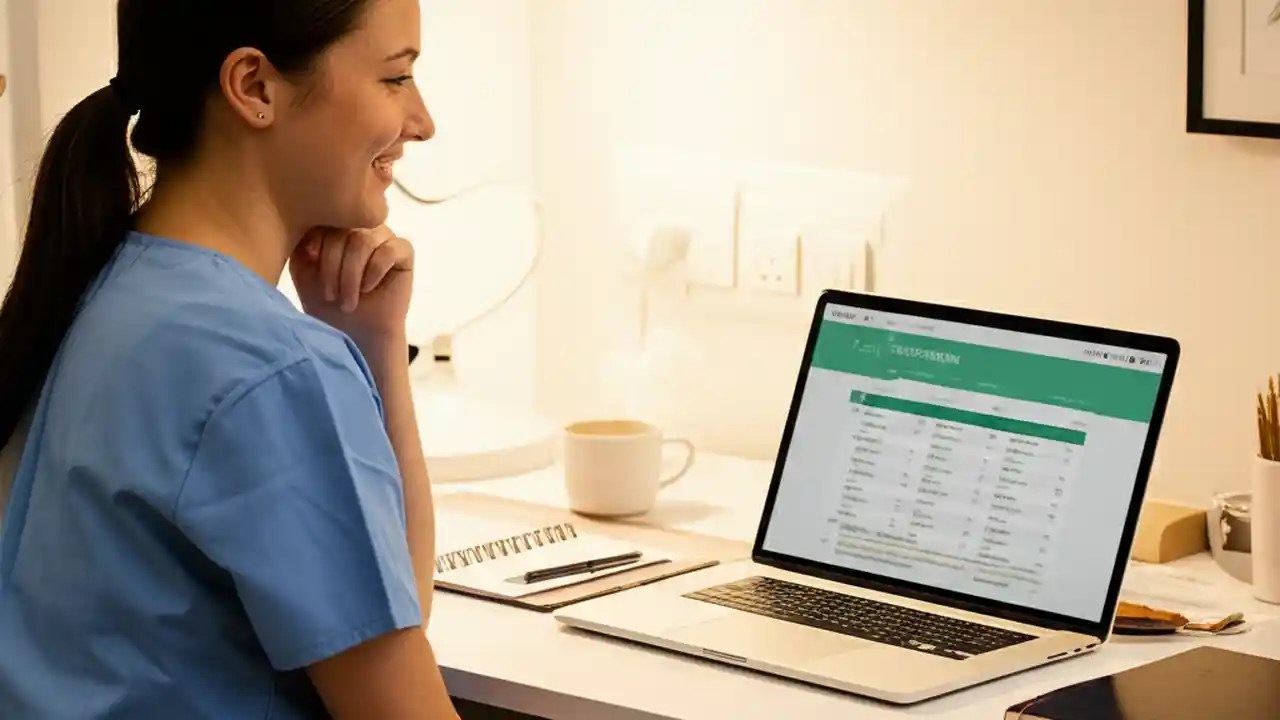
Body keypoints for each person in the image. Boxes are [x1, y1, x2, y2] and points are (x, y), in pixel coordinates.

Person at [0, 1, 461, 717]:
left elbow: (384, 624)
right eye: (395, 78)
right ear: (253, 86)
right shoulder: (268, 367)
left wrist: (374, 346)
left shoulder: (96, 289)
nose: (422, 120)